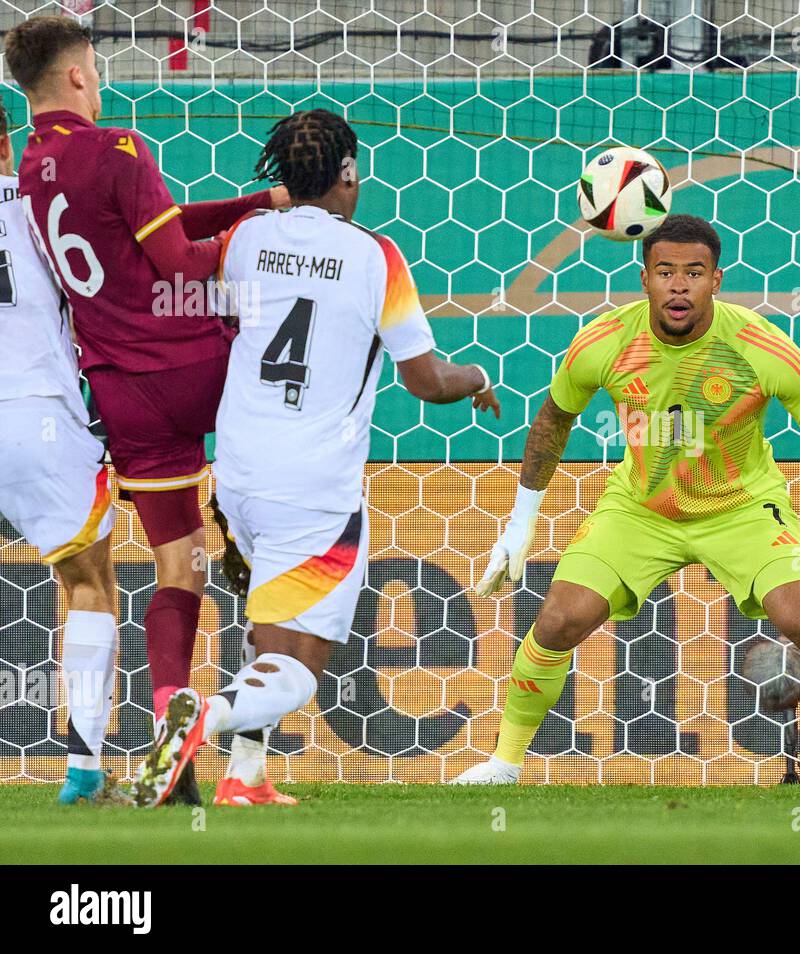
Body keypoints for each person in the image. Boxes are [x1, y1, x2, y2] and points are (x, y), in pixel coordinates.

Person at [455, 213, 800, 786]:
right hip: (641, 509)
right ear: (644, 280)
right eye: (665, 271)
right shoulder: (605, 341)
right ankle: (504, 764)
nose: (679, 285)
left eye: (695, 272)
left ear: (717, 280)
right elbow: (553, 420)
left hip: (740, 508)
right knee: (560, 618)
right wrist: (519, 526)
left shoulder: (758, 347)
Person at [132, 109, 501, 807]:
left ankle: (245, 777)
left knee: (267, 622)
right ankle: (198, 718)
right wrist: (478, 377)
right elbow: (425, 382)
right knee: (302, 662)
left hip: (238, 470)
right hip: (315, 484)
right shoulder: (375, 256)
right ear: (347, 176)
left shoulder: (243, 237)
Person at [5, 15, 290, 804]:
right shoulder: (119, 147)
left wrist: (248, 203)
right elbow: (176, 260)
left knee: (179, 564)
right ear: (77, 76)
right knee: (280, 524)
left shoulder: (29, 172)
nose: (100, 79)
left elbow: (144, 237)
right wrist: (252, 240)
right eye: (95, 66)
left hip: (124, 394)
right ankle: (248, 765)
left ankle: (176, 744)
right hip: (202, 362)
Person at [0, 101, 119, 804]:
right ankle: (83, 771)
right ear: (8, 139)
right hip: (36, 413)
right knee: (86, 583)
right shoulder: (40, 209)